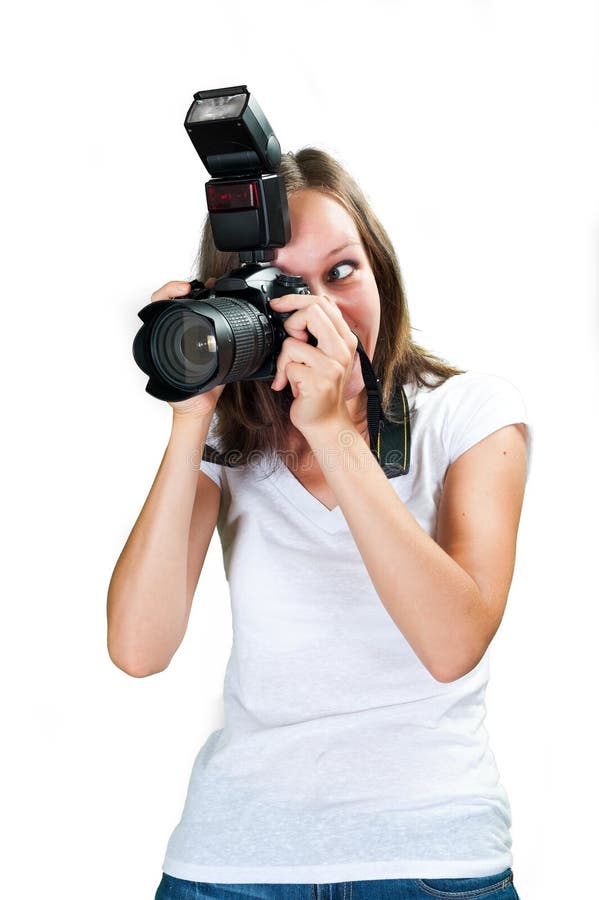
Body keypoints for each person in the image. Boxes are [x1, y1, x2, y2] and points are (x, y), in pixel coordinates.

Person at [107, 148, 530, 900]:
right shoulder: (229, 438)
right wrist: (189, 415)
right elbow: (139, 648)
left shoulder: (469, 415)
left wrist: (334, 431)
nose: (320, 310)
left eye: (340, 272)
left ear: (381, 273)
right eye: (287, 289)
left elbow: (452, 644)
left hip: (427, 859)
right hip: (228, 863)